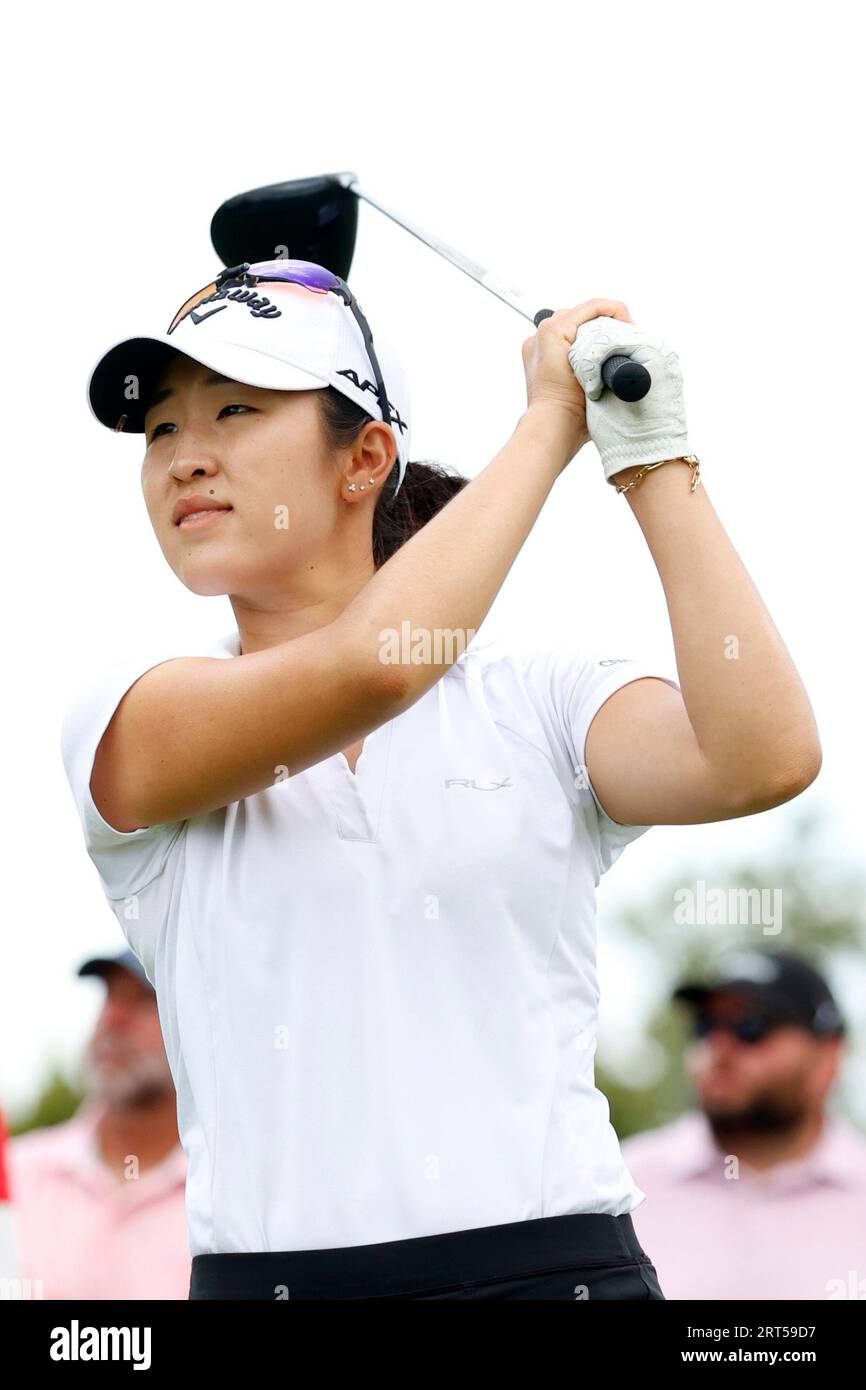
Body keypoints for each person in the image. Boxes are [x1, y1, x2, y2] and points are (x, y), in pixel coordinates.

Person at [60, 258, 821, 1300]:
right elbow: (376, 664)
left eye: (232, 410)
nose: (185, 458)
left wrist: (648, 455)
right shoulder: (130, 715)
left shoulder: (535, 698)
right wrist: (548, 426)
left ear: (363, 456)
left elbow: (758, 757)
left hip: (552, 1275)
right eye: (159, 430)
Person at [622, 949, 866, 1300]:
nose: (719, 1046)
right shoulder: (621, 1190)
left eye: (751, 1026)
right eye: (705, 1025)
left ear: (828, 1056)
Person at [8, 949, 189, 1299]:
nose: (113, 1018)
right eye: (109, 996)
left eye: (145, 998)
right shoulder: (17, 1172)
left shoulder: (231, 1197)